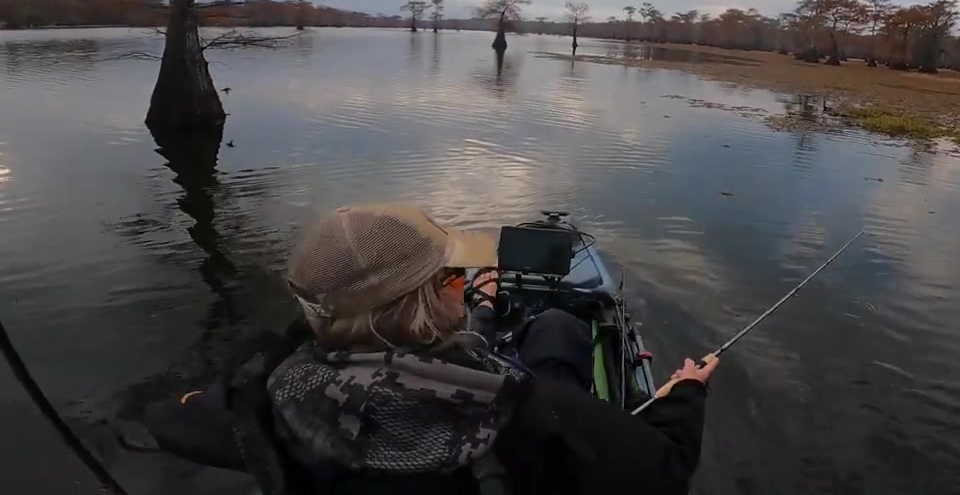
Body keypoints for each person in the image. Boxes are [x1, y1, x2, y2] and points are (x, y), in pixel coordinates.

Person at [145, 203, 718, 495]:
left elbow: (168, 420)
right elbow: (664, 469)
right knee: (559, 332)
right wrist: (682, 396)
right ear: (422, 305)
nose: (461, 284)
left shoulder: (277, 394)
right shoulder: (522, 409)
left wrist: (215, 403)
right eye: (450, 279)